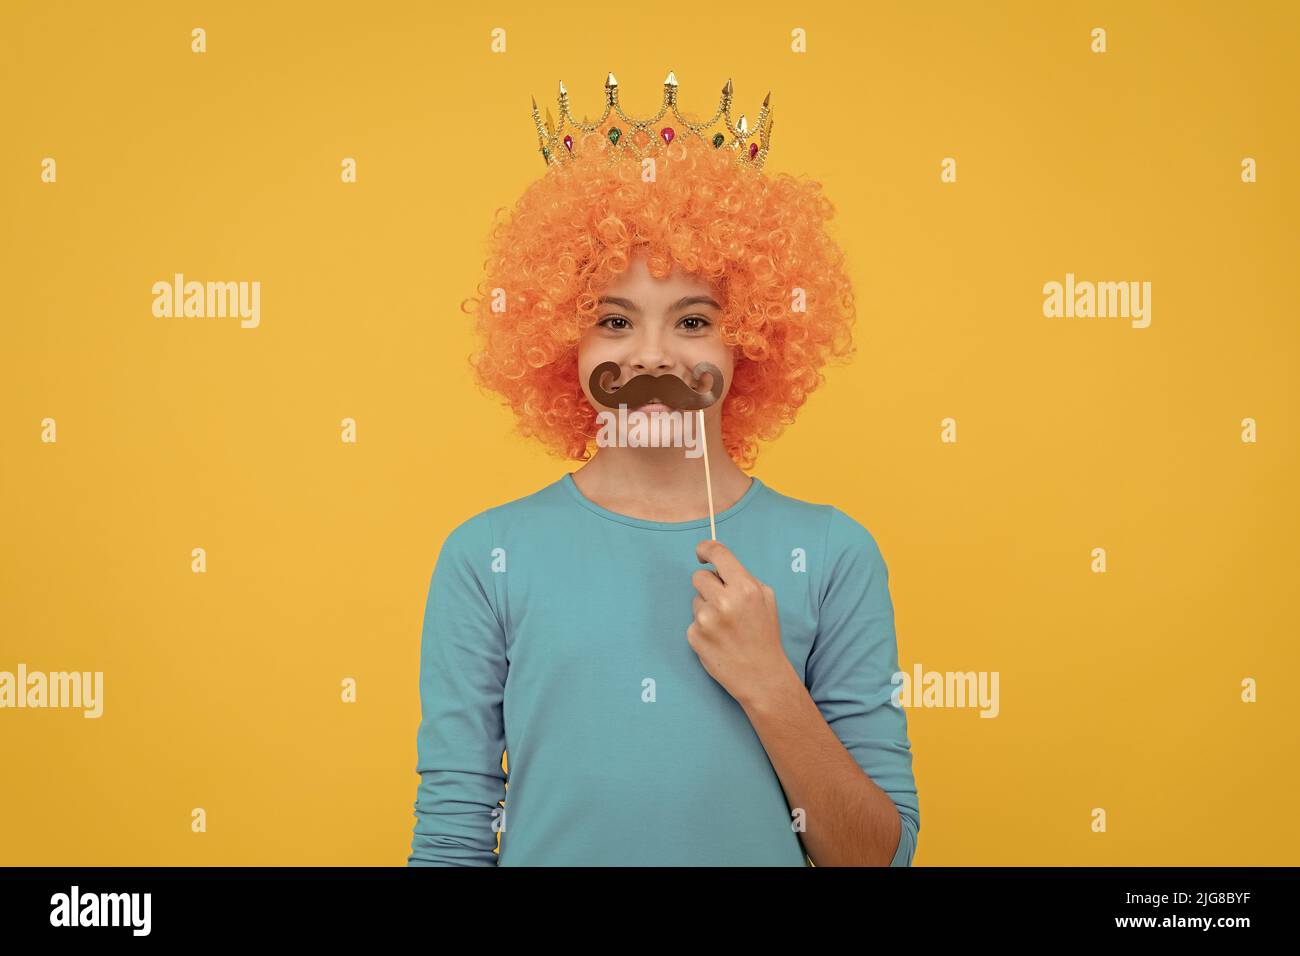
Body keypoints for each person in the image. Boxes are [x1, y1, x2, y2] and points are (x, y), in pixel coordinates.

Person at [408, 76, 919, 865]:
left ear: (749, 339)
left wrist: (769, 681)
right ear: (560, 342)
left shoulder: (833, 553)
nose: (650, 354)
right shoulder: (486, 557)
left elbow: (876, 857)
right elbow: (452, 835)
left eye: (693, 321)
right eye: (613, 320)